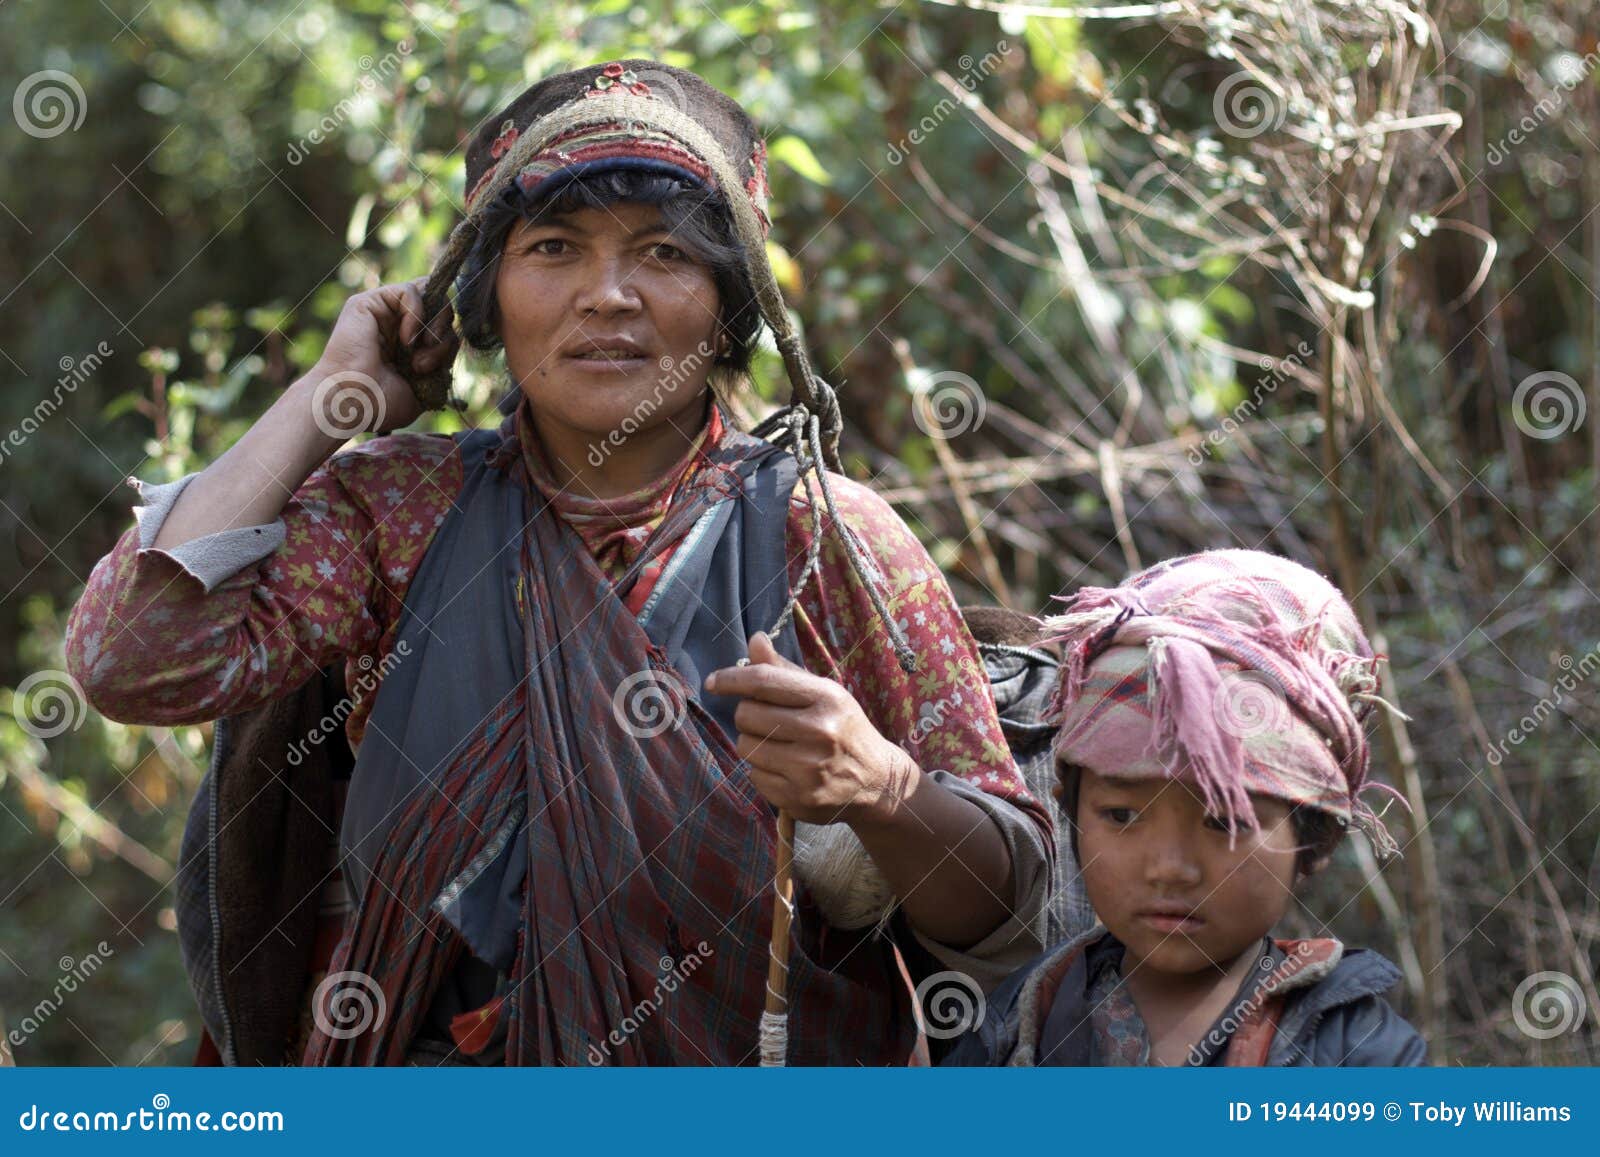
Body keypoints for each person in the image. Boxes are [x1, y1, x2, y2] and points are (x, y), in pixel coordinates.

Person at [63, 60, 1052, 1066]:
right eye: (553, 248)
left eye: (663, 252)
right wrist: (330, 397)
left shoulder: (826, 538)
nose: (606, 296)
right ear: (485, 295)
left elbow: (1009, 904)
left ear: (731, 299)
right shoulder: (402, 511)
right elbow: (133, 659)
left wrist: (879, 787)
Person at [942, 549, 1427, 1066]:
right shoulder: (1019, 1019)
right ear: (1072, 814)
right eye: (1122, 816)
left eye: (1225, 821)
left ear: (1316, 838)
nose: (1169, 868)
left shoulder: (1358, 1052)